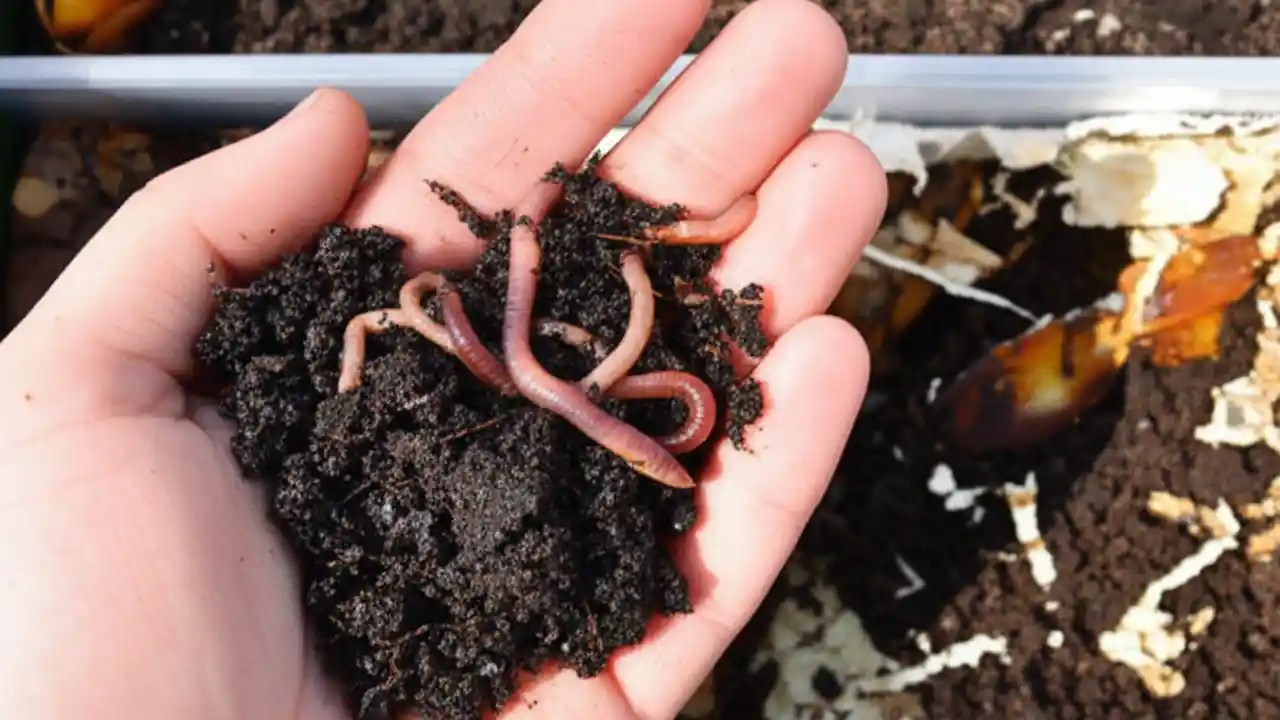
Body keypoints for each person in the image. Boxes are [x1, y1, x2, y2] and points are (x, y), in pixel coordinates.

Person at [0, 0, 886, 717]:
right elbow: (536, 361)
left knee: (551, 363)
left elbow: (558, 367)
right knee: (543, 362)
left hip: (528, 347)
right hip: (511, 349)